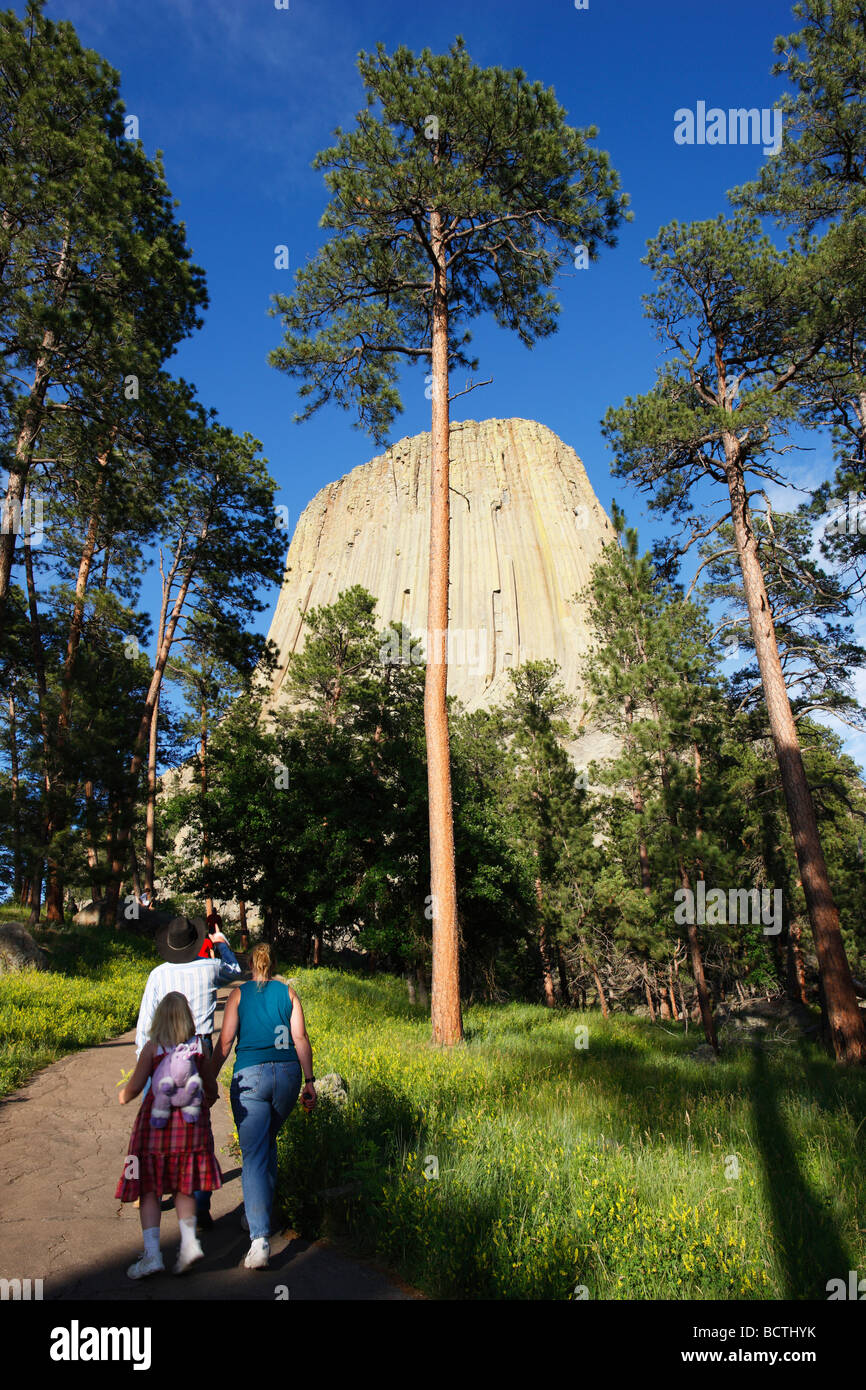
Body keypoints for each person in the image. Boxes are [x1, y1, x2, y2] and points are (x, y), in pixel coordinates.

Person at [212, 943, 317, 1269]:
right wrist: (310, 1080)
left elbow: (226, 1042)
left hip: (251, 1078)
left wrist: (207, 1078)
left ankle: (259, 1238)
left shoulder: (239, 995)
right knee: (266, 1144)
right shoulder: (288, 993)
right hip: (287, 1077)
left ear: (251, 964)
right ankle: (256, 1212)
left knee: (255, 1153)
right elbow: (300, 1038)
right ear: (273, 965)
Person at [135, 915, 241, 1229]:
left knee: (153, 1129)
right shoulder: (210, 968)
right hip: (198, 1049)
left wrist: (144, 1066)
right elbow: (235, 972)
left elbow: (144, 1024)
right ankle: (199, 1203)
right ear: (195, 943)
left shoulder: (157, 974)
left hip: (161, 1050)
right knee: (197, 1130)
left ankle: (151, 1188)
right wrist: (223, 945)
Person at [116, 992, 222, 1278]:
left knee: (149, 1188)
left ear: (160, 1018)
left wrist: (123, 1095)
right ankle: (188, 1245)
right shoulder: (199, 1046)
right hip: (191, 1126)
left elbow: (137, 1086)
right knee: (184, 1185)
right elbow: (209, 1084)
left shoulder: (153, 1047)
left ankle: (152, 1255)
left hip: (156, 1127)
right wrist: (210, 1098)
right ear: (187, 1019)